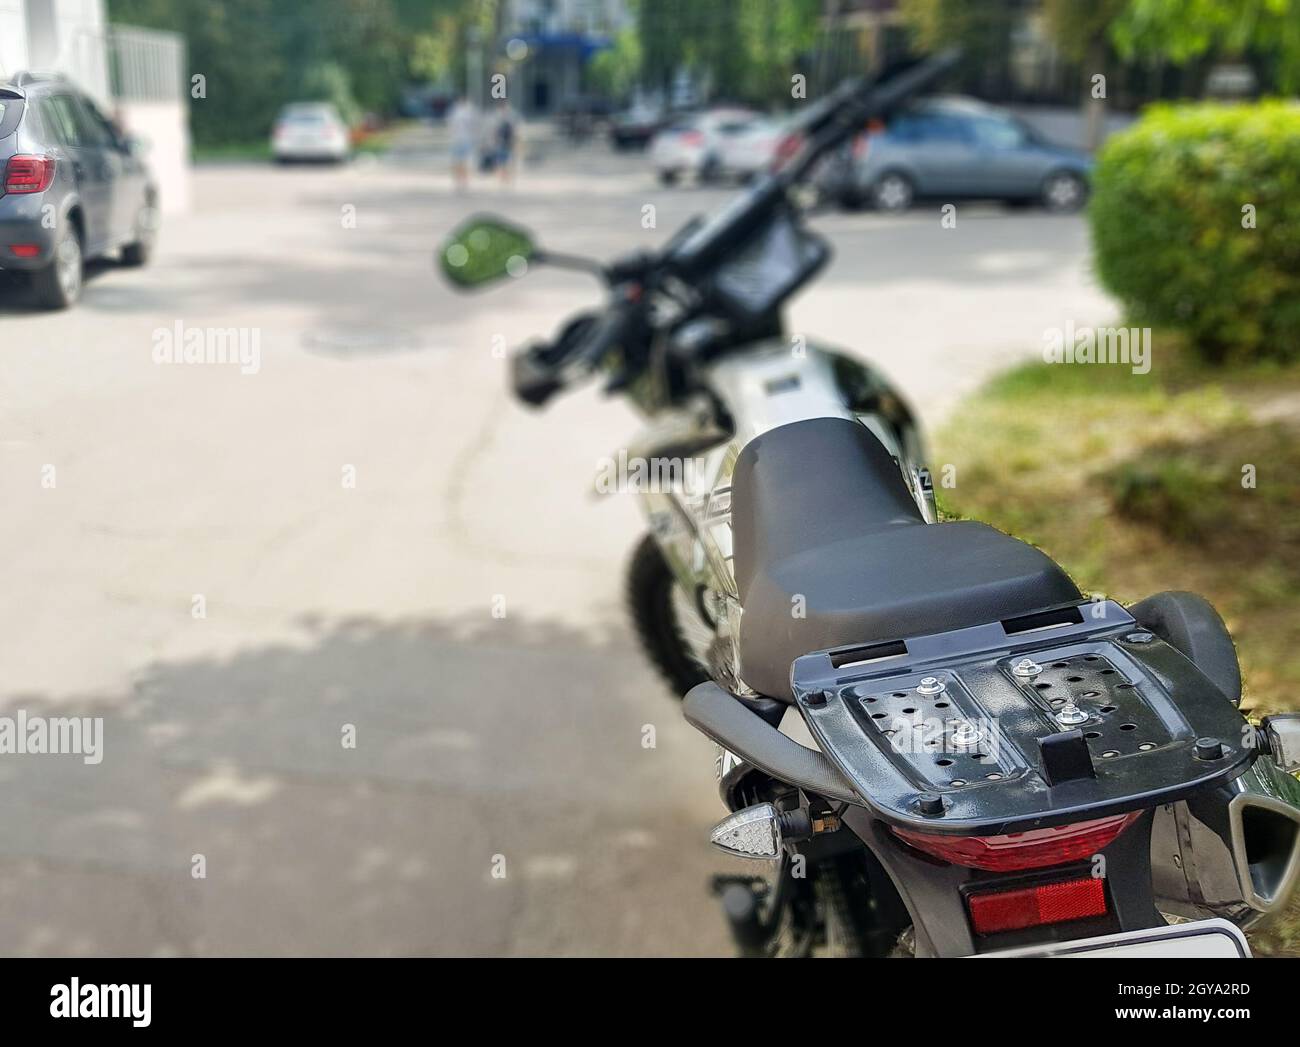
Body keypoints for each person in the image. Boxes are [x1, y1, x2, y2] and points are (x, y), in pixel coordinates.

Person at [446, 95, 479, 191]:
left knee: (459, 161)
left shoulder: (455, 111)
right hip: (463, 139)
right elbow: (475, 126)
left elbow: (451, 125)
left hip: (459, 139)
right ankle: (462, 181)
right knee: (463, 161)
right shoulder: (470, 111)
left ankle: (460, 180)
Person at [491, 100, 520, 187]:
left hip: (507, 143)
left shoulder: (509, 117)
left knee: (506, 162)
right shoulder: (499, 117)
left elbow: (514, 131)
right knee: (502, 162)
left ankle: (506, 179)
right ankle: (504, 179)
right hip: (503, 143)